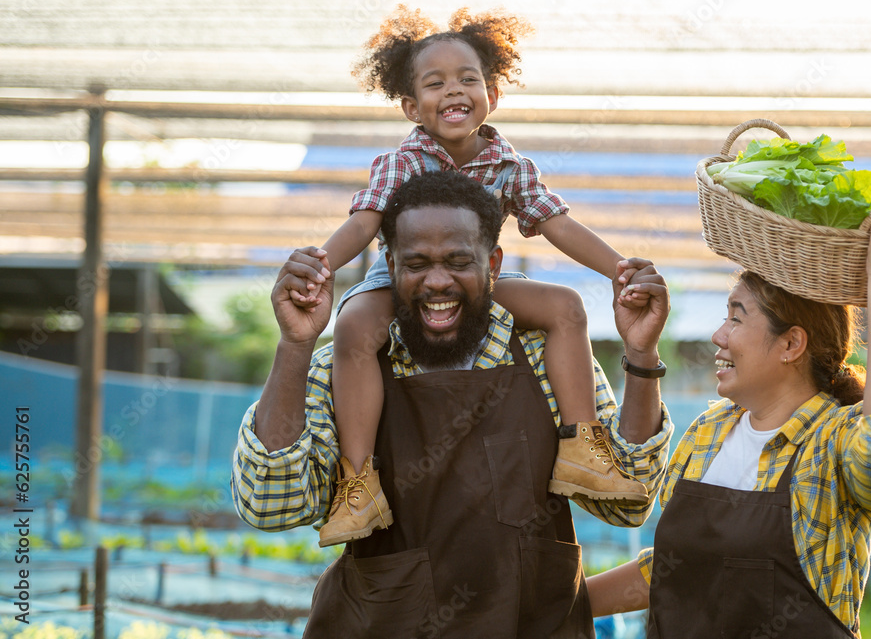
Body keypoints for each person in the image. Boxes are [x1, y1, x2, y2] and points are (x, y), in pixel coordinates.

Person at [232, 170, 673, 638]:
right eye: (417, 263)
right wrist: (295, 344)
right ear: (391, 264)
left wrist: (642, 355)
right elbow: (270, 506)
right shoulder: (346, 368)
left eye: (459, 261)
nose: (437, 281)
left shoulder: (548, 360)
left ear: (494, 264)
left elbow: (629, 503)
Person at [288, 6, 648, 547]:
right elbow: (364, 222)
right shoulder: (400, 162)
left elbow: (558, 224)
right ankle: (357, 481)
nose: (453, 90)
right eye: (435, 83)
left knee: (567, 307)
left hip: (476, 282)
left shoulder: (511, 166)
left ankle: (581, 447)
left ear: (493, 94)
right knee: (355, 326)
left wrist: (619, 270)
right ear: (412, 106)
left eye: (468, 79)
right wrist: (320, 266)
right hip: (396, 284)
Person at [586, 217, 871, 637]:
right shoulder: (709, 432)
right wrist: (549, 605)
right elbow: (673, 568)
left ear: (791, 344)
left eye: (736, 319)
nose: (718, 335)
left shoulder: (831, 442)